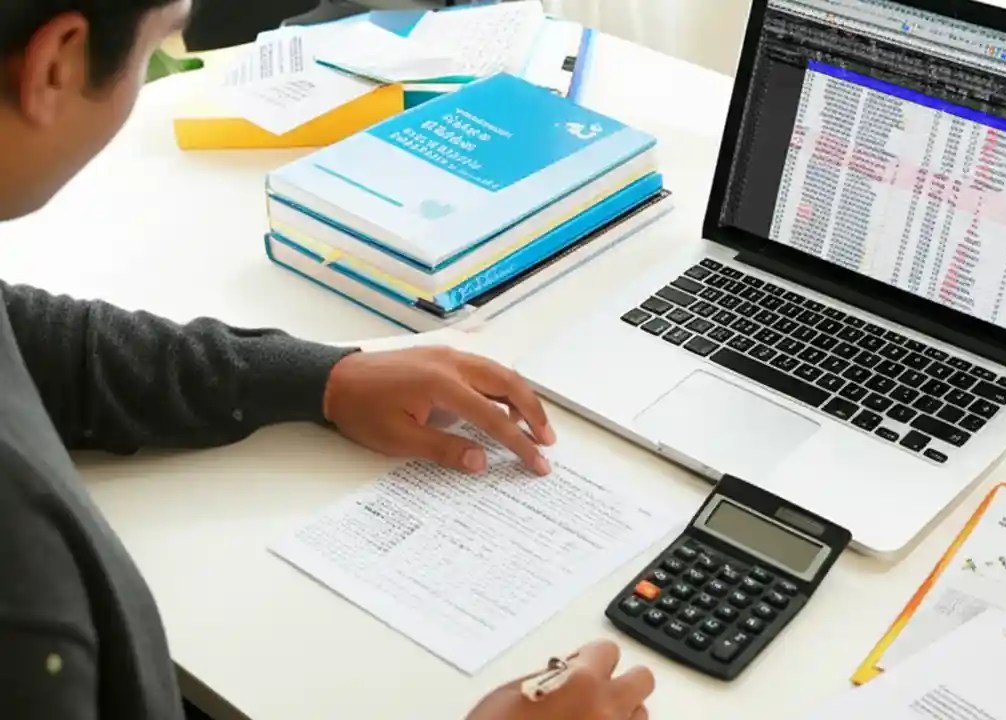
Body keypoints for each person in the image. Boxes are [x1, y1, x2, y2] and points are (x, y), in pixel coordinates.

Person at [0, 1, 655, 718]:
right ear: (56, 63)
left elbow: (29, 338)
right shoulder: (25, 599)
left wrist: (317, 377)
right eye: (161, 34)